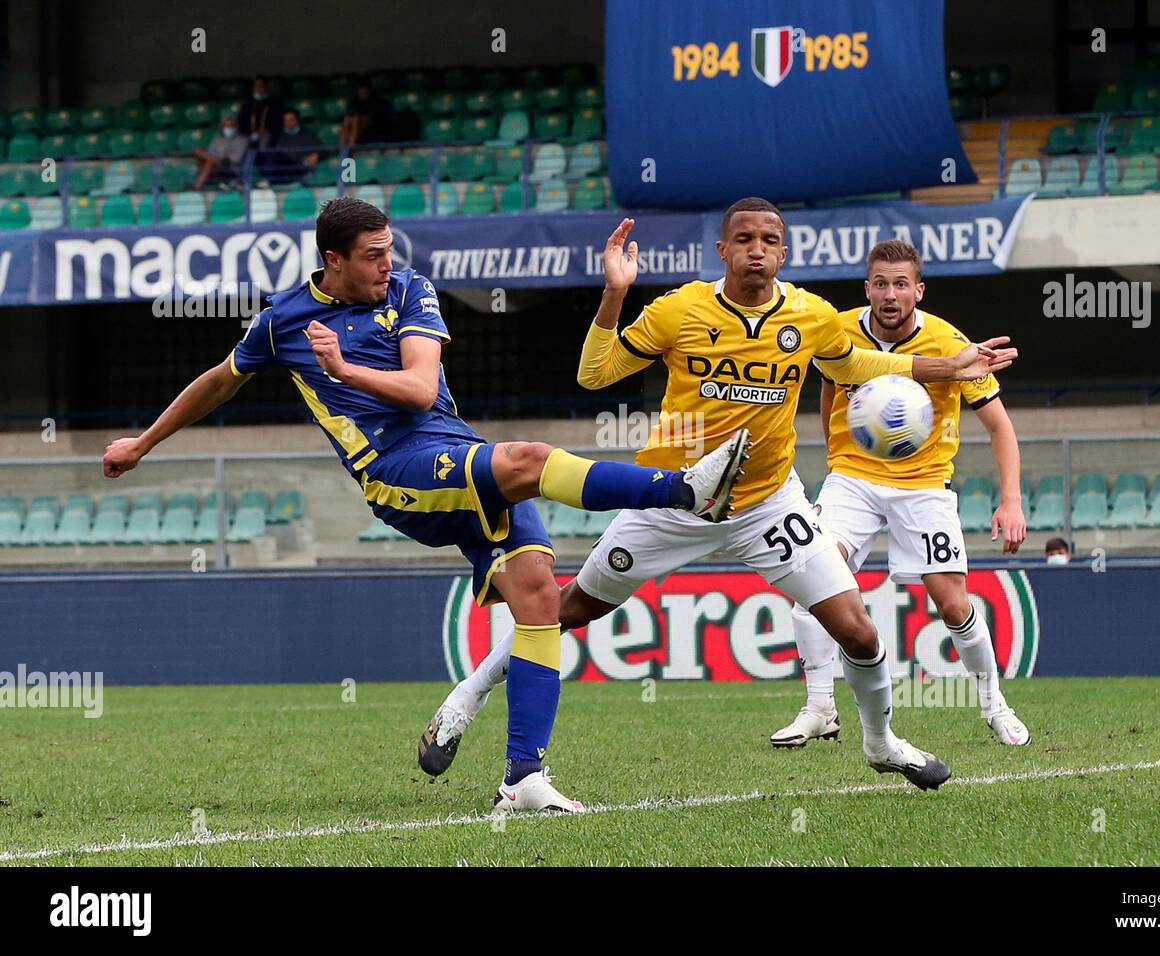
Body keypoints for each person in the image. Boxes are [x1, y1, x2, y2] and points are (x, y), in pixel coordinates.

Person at [102, 198, 750, 815]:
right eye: (372, 255)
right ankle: (685, 493)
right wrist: (145, 441)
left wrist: (344, 369)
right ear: (334, 260)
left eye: (389, 250)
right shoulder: (285, 320)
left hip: (455, 450)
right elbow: (222, 378)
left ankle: (524, 777)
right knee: (526, 461)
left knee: (539, 600)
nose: (388, 263)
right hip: (396, 473)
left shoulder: (410, 289)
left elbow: (418, 387)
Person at [423, 199, 1019, 791]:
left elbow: (855, 366)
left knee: (858, 631)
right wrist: (613, 294)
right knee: (565, 610)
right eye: (744, 239)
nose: (756, 249)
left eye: (768, 240)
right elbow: (593, 374)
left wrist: (947, 367)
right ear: (723, 250)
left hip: (767, 505)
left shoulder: (811, 317)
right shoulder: (680, 308)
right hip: (673, 500)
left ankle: (882, 743)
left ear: (783, 252)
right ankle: (462, 702)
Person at [771, 239, 1032, 751]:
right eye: (881, 284)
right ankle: (820, 707)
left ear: (919, 290)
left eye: (901, 284)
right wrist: (838, 458)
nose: (890, 294)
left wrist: (1012, 500)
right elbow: (828, 383)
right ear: (867, 288)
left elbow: (1001, 427)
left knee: (952, 605)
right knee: (811, 579)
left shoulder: (948, 341)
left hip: (924, 485)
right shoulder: (839, 329)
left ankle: (994, 702)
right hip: (853, 479)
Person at [255, 108, 324, 184]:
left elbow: (325, 150)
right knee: (262, 153)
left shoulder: (308, 135)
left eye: (291, 119)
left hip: (299, 168)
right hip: (281, 169)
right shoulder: (277, 137)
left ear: (297, 120)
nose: (288, 122)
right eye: (286, 120)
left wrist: (317, 155)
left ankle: (268, 180)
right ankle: (267, 180)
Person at [193, 115, 247, 190]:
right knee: (199, 152)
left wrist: (215, 158)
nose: (228, 128)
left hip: (230, 169)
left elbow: (235, 159)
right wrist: (214, 158)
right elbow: (210, 154)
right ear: (222, 127)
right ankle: (197, 185)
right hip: (216, 167)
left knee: (209, 162)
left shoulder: (242, 140)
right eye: (226, 125)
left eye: (231, 125)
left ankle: (196, 187)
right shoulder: (217, 139)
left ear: (236, 127)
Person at [339, 78, 392, 146]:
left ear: (369, 90)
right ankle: (342, 148)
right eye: (360, 89)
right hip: (354, 127)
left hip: (373, 128)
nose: (362, 91)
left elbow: (376, 119)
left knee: (356, 120)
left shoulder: (377, 101)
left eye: (364, 89)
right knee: (348, 120)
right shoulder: (354, 100)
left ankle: (351, 146)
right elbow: (349, 114)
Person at [237, 75, 283, 148]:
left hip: (267, 133)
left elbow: (277, 120)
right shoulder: (247, 102)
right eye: (257, 85)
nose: (259, 88)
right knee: (241, 142)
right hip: (248, 133)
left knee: (265, 142)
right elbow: (242, 120)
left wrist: (266, 130)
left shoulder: (274, 103)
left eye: (262, 85)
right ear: (253, 87)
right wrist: (250, 133)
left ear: (266, 87)